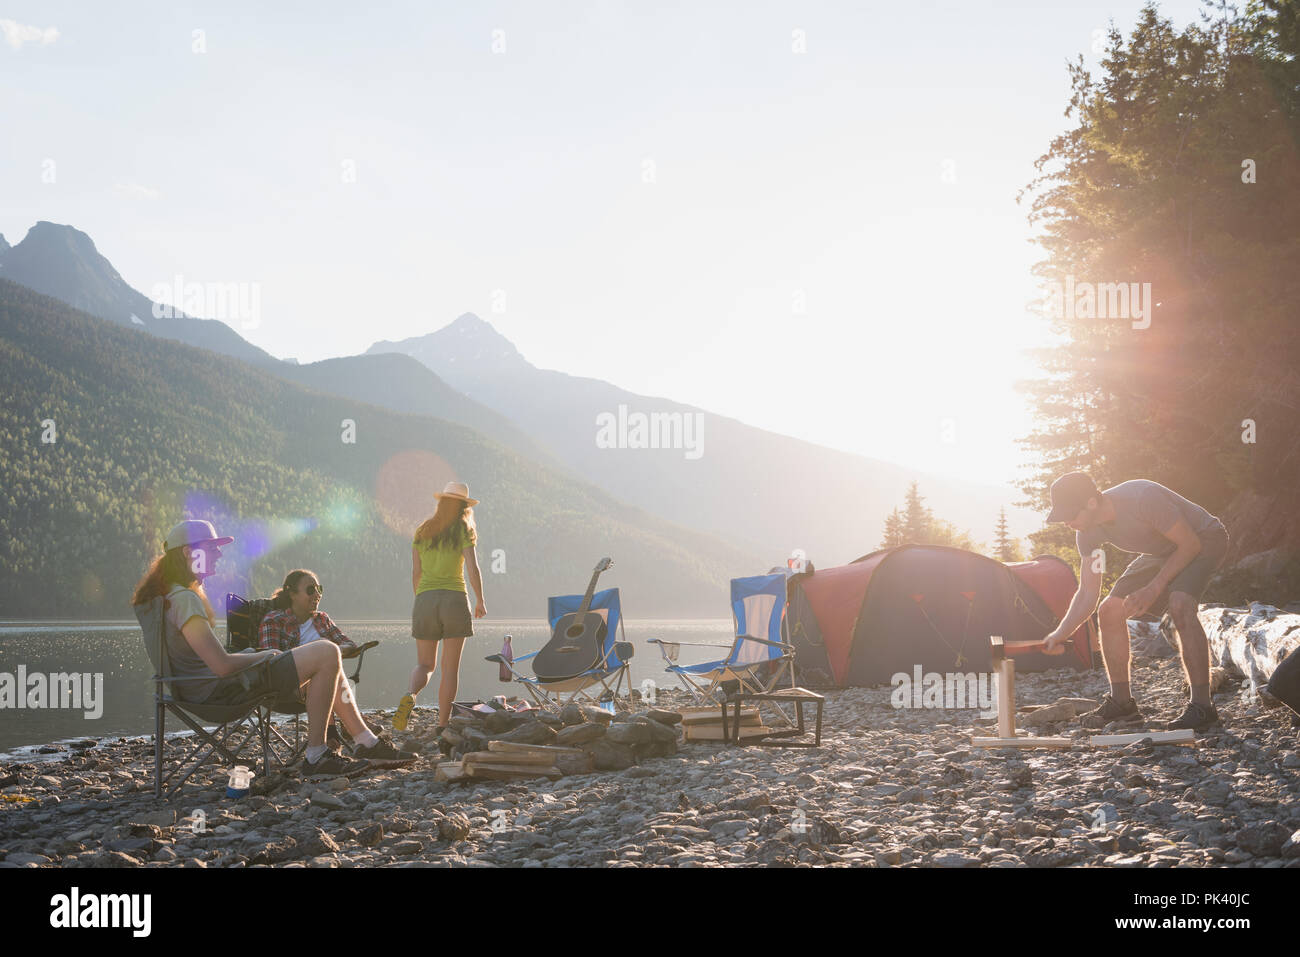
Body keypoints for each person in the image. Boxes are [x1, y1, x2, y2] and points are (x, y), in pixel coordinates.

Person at [131, 519, 369, 778]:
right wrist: (264, 654)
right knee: (326, 652)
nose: (219, 554)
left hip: (193, 690)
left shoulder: (161, 599)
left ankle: (364, 742)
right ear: (189, 553)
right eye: (212, 548)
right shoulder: (184, 600)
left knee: (325, 662)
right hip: (222, 692)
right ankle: (318, 755)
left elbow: (210, 662)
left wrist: (251, 655)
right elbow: (221, 666)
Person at [1042, 473, 1230, 731]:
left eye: (1070, 514)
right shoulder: (1087, 533)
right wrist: (1061, 633)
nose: (1067, 522)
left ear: (1091, 503)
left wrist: (1154, 588)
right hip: (1161, 551)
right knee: (1109, 610)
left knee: (1180, 605)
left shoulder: (1142, 499)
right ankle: (1122, 705)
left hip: (1203, 539)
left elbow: (1189, 544)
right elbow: (1087, 592)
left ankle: (1202, 708)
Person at [259, 569, 414, 763]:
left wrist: (331, 653)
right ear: (291, 594)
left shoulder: (321, 619)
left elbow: (349, 645)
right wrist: (310, 658)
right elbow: (271, 659)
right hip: (287, 686)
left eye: (319, 589)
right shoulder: (274, 620)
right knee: (327, 665)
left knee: (331, 663)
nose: (317, 594)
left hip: (326, 680)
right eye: (310, 590)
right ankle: (362, 739)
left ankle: (359, 742)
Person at [392, 482, 487, 734]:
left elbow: (416, 573)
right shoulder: (463, 529)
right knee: (449, 669)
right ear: (463, 507)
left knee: (425, 665)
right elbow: (473, 569)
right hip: (454, 599)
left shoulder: (423, 530)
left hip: (425, 600)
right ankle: (442, 724)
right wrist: (480, 600)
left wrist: (422, 600)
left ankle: (410, 694)